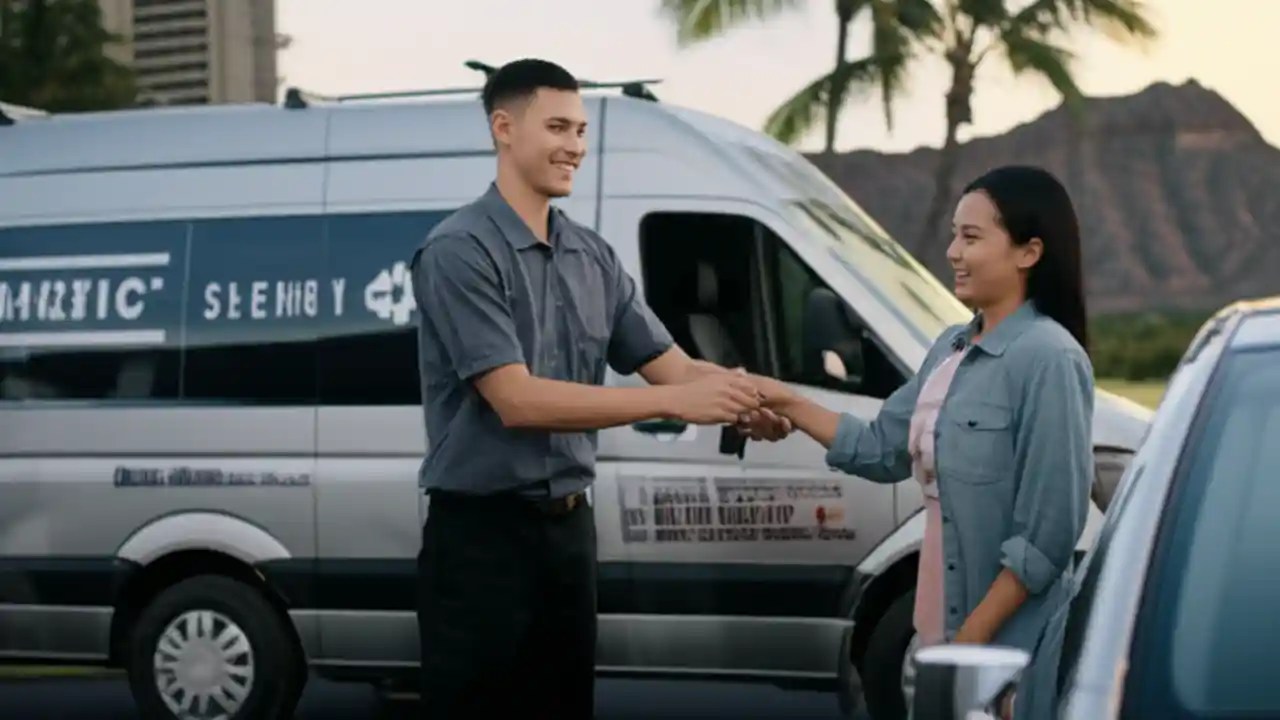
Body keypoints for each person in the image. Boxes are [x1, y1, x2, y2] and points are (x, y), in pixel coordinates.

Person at [407, 58, 789, 720]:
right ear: (504, 128)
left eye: (582, 130)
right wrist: (674, 403)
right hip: (479, 541)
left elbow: (673, 367)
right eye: (558, 127)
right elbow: (518, 400)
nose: (576, 147)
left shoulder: (593, 256)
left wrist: (755, 403)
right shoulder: (458, 251)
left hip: (568, 536)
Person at [750, 165, 1094, 718]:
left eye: (972, 237)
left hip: (1003, 652)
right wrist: (784, 401)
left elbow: (1046, 540)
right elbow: (878, 448)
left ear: (1029, 252)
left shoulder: (1050, 358)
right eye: (954, 234)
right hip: (939, 633)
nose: (954, 251)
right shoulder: (950, 348)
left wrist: (968, 652)